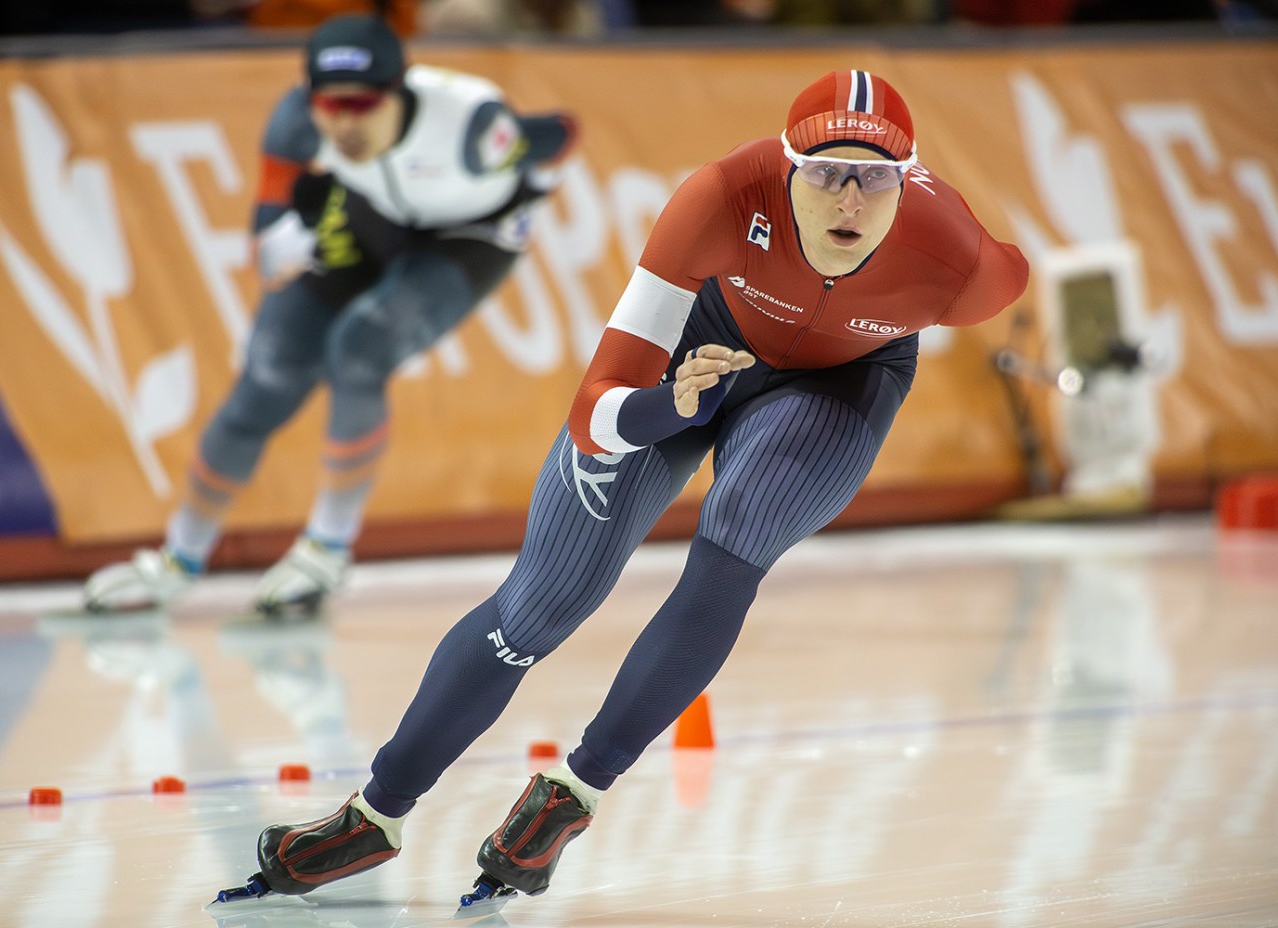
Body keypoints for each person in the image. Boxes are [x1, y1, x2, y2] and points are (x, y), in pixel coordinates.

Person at [218, 69, 1029, 905]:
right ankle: (373, 816)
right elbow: (591, 413)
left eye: (876, 177)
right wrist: (667, 405)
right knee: (539, 604)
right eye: (827, 173)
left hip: (841, 386)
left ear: (908, 181)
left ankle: (574, 794)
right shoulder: (718, 197)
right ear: (787, 170)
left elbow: (1021, 270)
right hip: (696, 353)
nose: (850, 199)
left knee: (737, 538)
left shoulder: (961, 263)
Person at [82, 14, 577, 614]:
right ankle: (176, 559)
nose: (344, 123)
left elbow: (561, 133)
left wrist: (541, 181)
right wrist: (276, 242)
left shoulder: (473, 128)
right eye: (329, 105)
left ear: (400, 90)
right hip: (371, 215)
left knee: (360, 350)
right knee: (265, 382)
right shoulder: (295, 123)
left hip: (471, 234)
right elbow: (267, 237)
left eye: (363, 104)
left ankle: (325, 549)